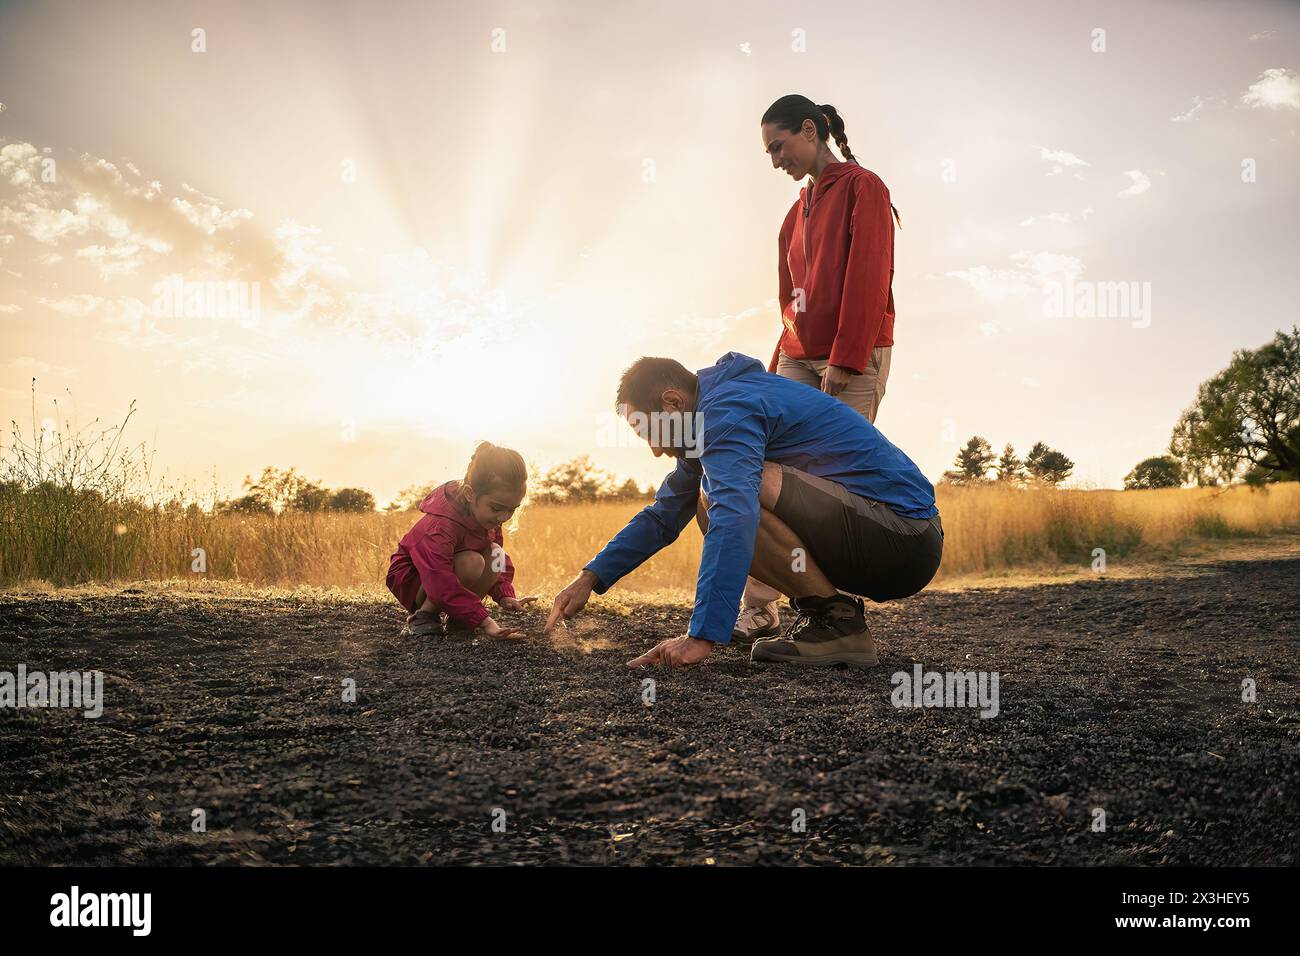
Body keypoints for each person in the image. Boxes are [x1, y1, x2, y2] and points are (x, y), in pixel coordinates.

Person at [545, 352, 942, 669]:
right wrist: (590, 578)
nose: (654, 450)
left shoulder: (726, 410)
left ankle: (838, 625)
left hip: (903, 538)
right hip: (884, 538)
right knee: (708, 498)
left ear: (672, 401)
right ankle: (831, 620)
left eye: (650, 432)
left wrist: (701, 636)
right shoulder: (707, 416)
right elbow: (663, 513)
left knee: (730, 494)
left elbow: (734, 513)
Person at [732, 94, 904, 642]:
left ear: (810, 131)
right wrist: (776, 364)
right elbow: (789, 299)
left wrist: (847, 358)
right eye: (768, 152)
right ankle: (759, 606)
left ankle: (834, 611)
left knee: (831, 482)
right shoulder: (792, 215)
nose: (775, 160)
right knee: (765, 471)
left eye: (778, 146)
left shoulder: (864, 187)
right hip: (797, 359)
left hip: (850, 357)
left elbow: (870, 276)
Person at [386, 441, 537, 639]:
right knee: (472, 563)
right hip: (415, 578)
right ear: (469, 494)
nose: (503, 517)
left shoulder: (487, 518)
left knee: (496, 553)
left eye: (512, 509)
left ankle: (460, 619)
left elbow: (497, 563)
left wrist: (505, 594)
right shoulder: (441, 526)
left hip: (446, 574)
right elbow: (438, 577)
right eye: (497, 508)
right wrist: (485, 621)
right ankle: (423, 616)